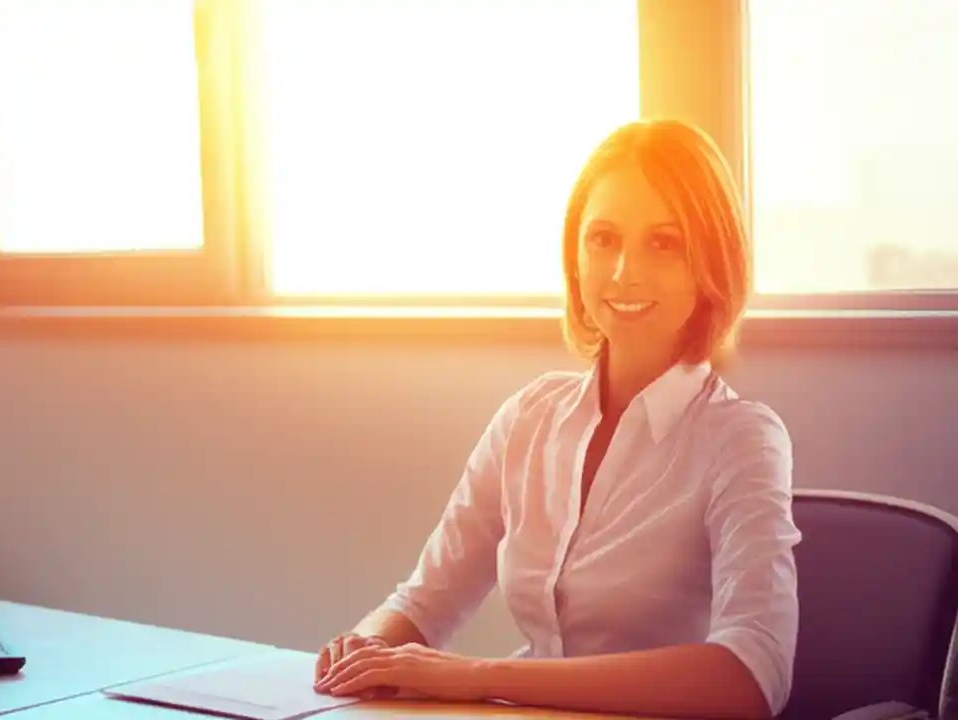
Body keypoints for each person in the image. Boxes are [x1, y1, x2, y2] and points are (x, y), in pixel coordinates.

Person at [311, 118, 801, 720]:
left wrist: (480, 677)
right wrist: (370, 647)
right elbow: (425, 601)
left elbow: (750, 676)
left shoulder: (742, 439)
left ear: (711, 263)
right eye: (603, 239)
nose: (624, 272)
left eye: (663, 242)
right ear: (574, 254)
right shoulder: (529, 418)